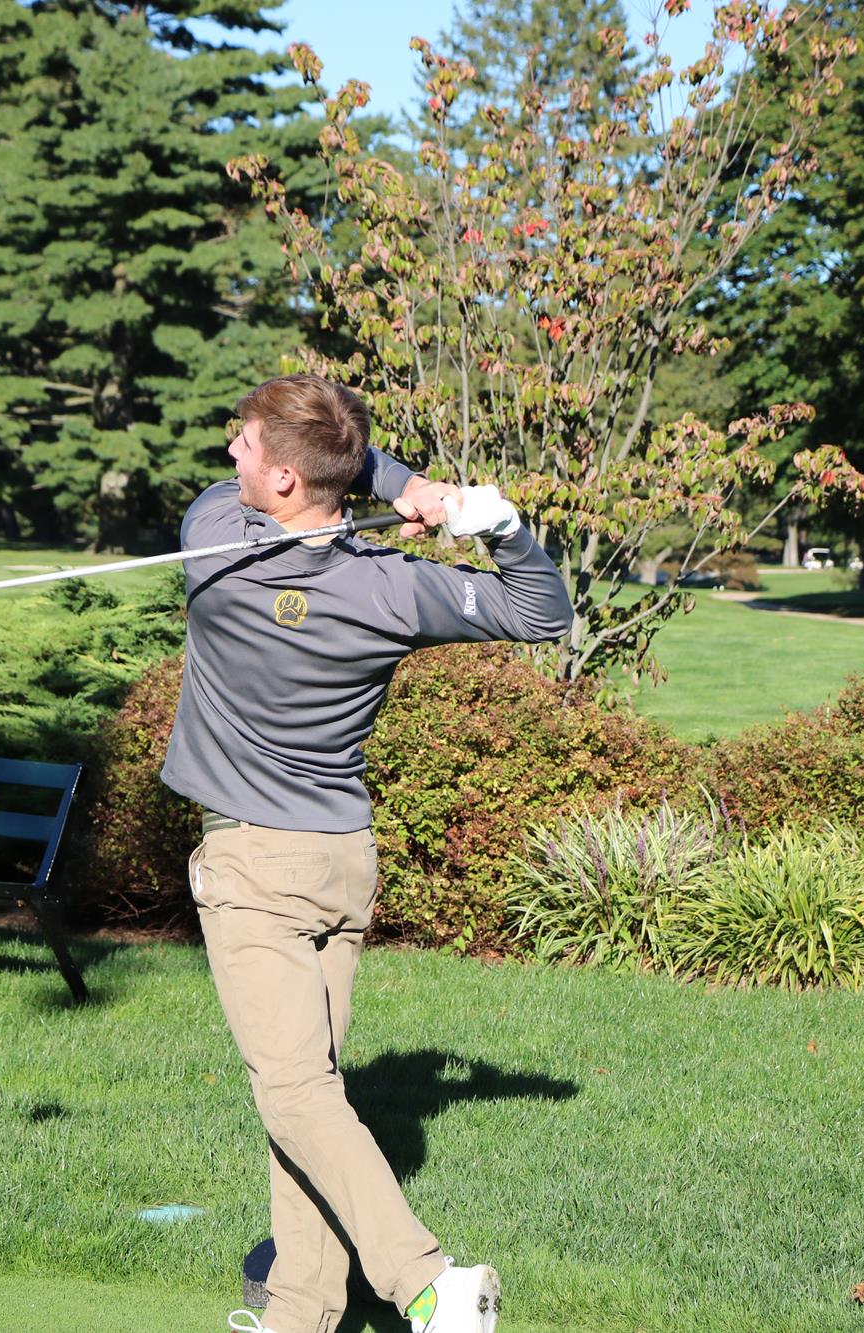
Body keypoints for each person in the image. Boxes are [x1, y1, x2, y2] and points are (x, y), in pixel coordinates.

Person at [164, 375, 571, 1333]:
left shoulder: (212, 543)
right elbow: (542, 615)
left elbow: (331, 465)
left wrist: (402, 486)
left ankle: (429, 1285)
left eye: (249, 446)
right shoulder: (394, 587)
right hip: (342, 860)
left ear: (284, 484)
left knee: (295, 1088)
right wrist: (490, 522)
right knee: (306, 1089)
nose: (233, 454)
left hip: (254, 866)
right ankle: (302, 1311)